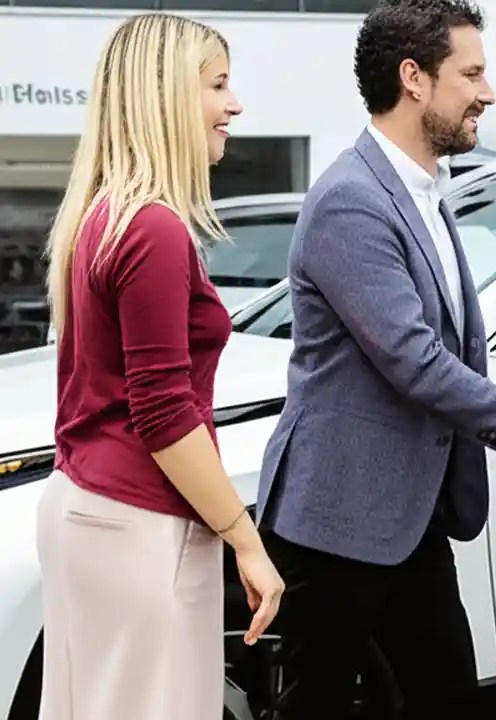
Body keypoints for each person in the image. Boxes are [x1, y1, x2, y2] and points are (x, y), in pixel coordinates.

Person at [252, 1, 496, 717]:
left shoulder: (426, 193)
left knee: (445, 697)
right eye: (471, 73)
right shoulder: (352, 200)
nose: (488, 92)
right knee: (320, 706)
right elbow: (416, 361)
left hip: (409, 517)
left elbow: (455, 351)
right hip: (338, 522)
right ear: (413, 78)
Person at [36, 13, 285, 720]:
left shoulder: (102, 215)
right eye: (217, 85)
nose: (233, 104)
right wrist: (246, 538)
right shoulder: (153, 228)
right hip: (142, 526)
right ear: (166, 96)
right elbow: (164, 413)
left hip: (91, 510)